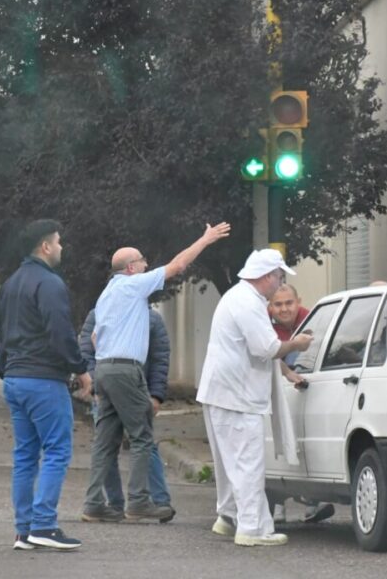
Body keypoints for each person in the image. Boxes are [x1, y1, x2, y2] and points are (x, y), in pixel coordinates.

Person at [82, 221, 231, 523]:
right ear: (131, 268)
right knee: (142, 436)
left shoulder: (106, 295)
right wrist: (205, 240)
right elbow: (177, 265)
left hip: (104, 370)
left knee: (105, 442)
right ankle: (138, 501)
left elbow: (95, 337)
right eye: (142, 261)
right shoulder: (133, 285)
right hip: (126, 370)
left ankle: (94, 504)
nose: (146, 264)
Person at [197, 249, 314, 547]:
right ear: (267, 276)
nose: (281, 283)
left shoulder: (238, 297)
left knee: (229, 462)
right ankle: (252, 529)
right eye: (279, 277)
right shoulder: (248, 303)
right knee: (247, 463)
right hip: (238, 395)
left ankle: (229, 517)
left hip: (223, 391)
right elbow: (267, 348)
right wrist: (297, 344)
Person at [0, 219, 92, 551]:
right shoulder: (49, 283)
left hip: (16, 378)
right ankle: (44, 526)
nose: (62, 247)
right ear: (46, 246)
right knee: (57, 450)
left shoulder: (10, 284)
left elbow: (1, 333)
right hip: (43, 379)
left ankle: (24, 531)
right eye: (59, 242)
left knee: (25, 455)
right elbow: (60, 331)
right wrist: (80, 369)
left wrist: (6, 370)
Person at [78, 302, 173, 523]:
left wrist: (156, 395)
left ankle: (157, 501)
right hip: (121, 386)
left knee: (110, 444)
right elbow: (86, 352)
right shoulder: (98, 314)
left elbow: (159, 358)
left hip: (130, 388)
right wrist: (95, 385)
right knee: (136, 441)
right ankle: (123, 504)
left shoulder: (151, 318)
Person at [266, 284, 336, 525]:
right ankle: (277, 505)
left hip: (305, 385)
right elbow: (266, 355)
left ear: (299, 301)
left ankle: (313, 502)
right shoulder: (262, 324)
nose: (284, 309)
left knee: (308, 443)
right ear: (270, 307)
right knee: (277, 446)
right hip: (277, 388)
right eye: (278, 304)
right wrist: (286, 372)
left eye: (289, 303)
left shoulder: (312, 320)